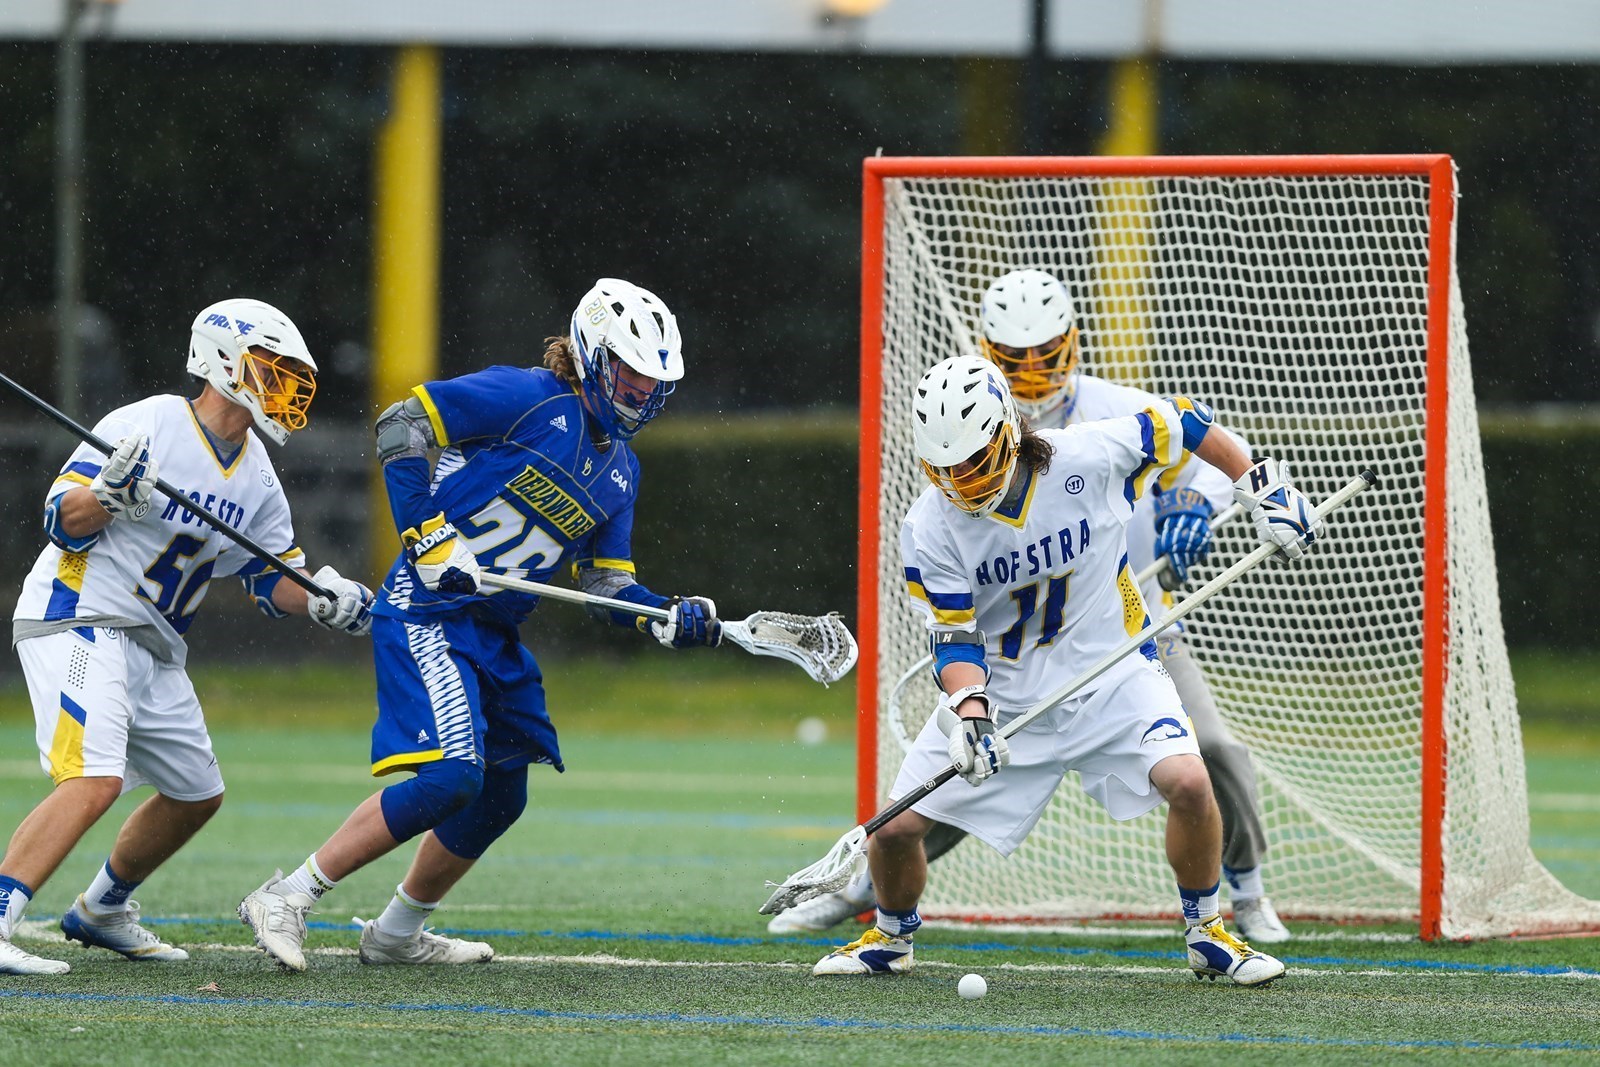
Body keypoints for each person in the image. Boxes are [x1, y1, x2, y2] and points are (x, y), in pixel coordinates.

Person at [773, 268, 1294, 945]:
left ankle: (1244, 894)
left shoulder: (1100, 422)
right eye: (1016, 358)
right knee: (954, 781)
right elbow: (955, 633)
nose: (1034, 370)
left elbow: (1192, 438)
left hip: (1128, 623)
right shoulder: (944, 485)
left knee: (1208, 754)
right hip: (1012, 661)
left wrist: (1202, 499)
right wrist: (972, 710)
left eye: (1046, 352)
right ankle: (872, 894)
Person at [238, 278, 723, 972]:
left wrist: (666, 617)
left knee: (502, 791)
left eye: (654, 383)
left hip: (493, 633)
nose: (641, 393)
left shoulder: (622, 470)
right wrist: (427, 535)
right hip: (429, 609)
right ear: (591, 353)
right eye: (631, 374)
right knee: (453, 775)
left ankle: (397, 932)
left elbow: (606, 581)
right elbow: (399, 425)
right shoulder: (528, 397)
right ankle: (287, 893)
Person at [0, 299, 374, 976]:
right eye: (271, 370)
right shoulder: (146, 423)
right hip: (83, 614)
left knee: (196, 791)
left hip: (154, 642)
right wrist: (108, 496)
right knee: (94, 778)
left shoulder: (256, 469)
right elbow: (63, 518)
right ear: (224, 362)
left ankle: (102, 908)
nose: (283, 388)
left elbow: (268, 576)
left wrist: (322, 596)